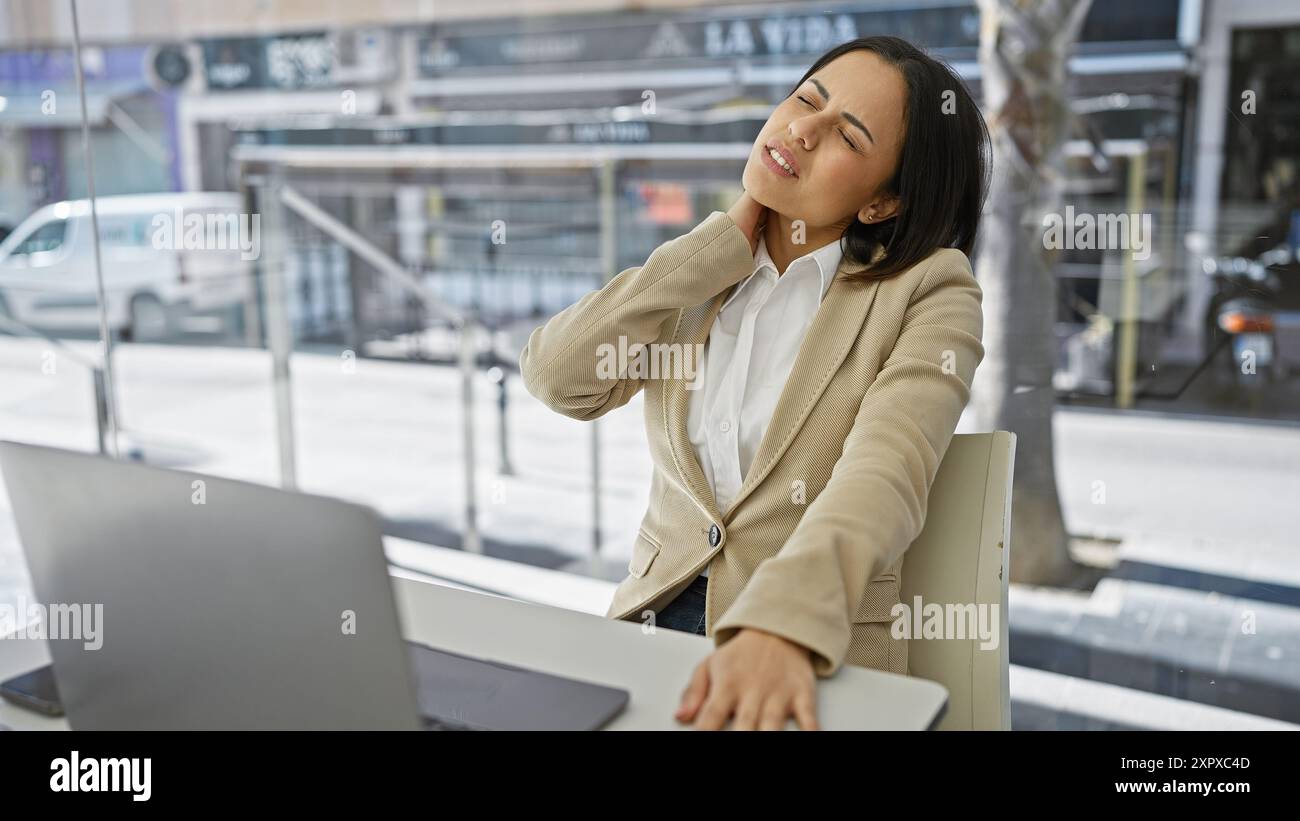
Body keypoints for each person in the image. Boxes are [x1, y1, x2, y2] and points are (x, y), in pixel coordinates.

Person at [520, 35, 990, 730]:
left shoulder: (931, 291)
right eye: (806, 99)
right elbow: (559, 379)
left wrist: (784, 626)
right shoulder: (704, 271)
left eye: (846, 136)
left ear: (883, 202)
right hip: (644, 639)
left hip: (808, 656)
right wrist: (708, 254)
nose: (801, 129)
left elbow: (883, 473)